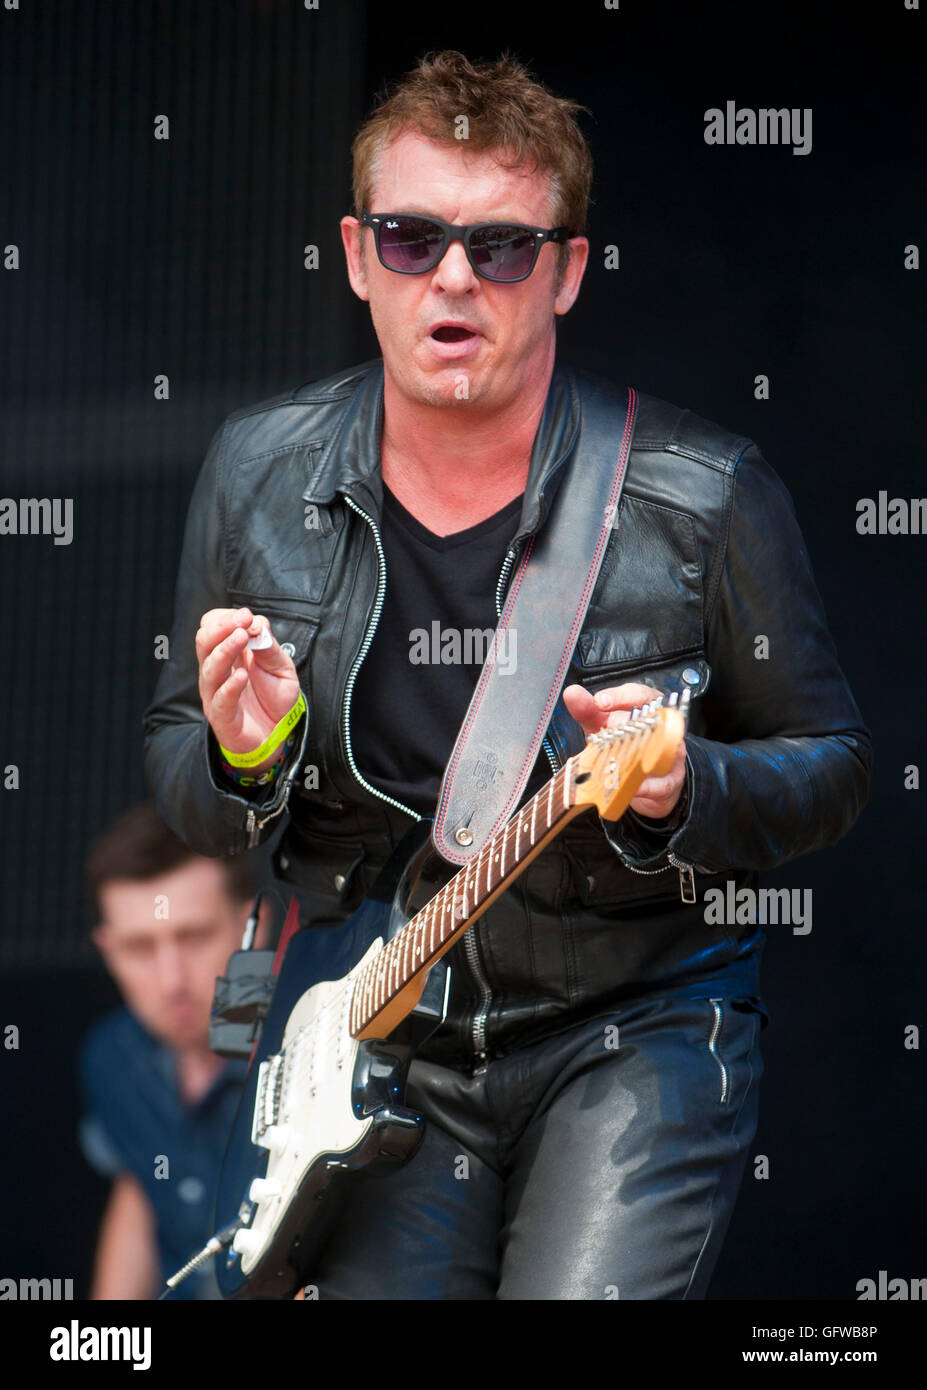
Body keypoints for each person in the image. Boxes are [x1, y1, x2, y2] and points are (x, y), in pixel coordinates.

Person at [142, 50, 871, 1299]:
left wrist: (680, 788)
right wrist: (246, 754)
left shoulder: (705, 494)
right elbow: (179, 772)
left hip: (630, 1027)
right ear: (359, 255)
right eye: (414, 239)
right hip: (382, 1034)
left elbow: (834, 766)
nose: (456, 279)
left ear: (570, 271)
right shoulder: (258, 471)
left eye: (504, 248)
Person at [79, 800, 268, 1299]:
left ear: (254, 925)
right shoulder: (114, 1055)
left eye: (193, 937)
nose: (171, 981)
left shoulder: (305, 1043)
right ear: (107, 950)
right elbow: (141, 1187)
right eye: (140, 948)